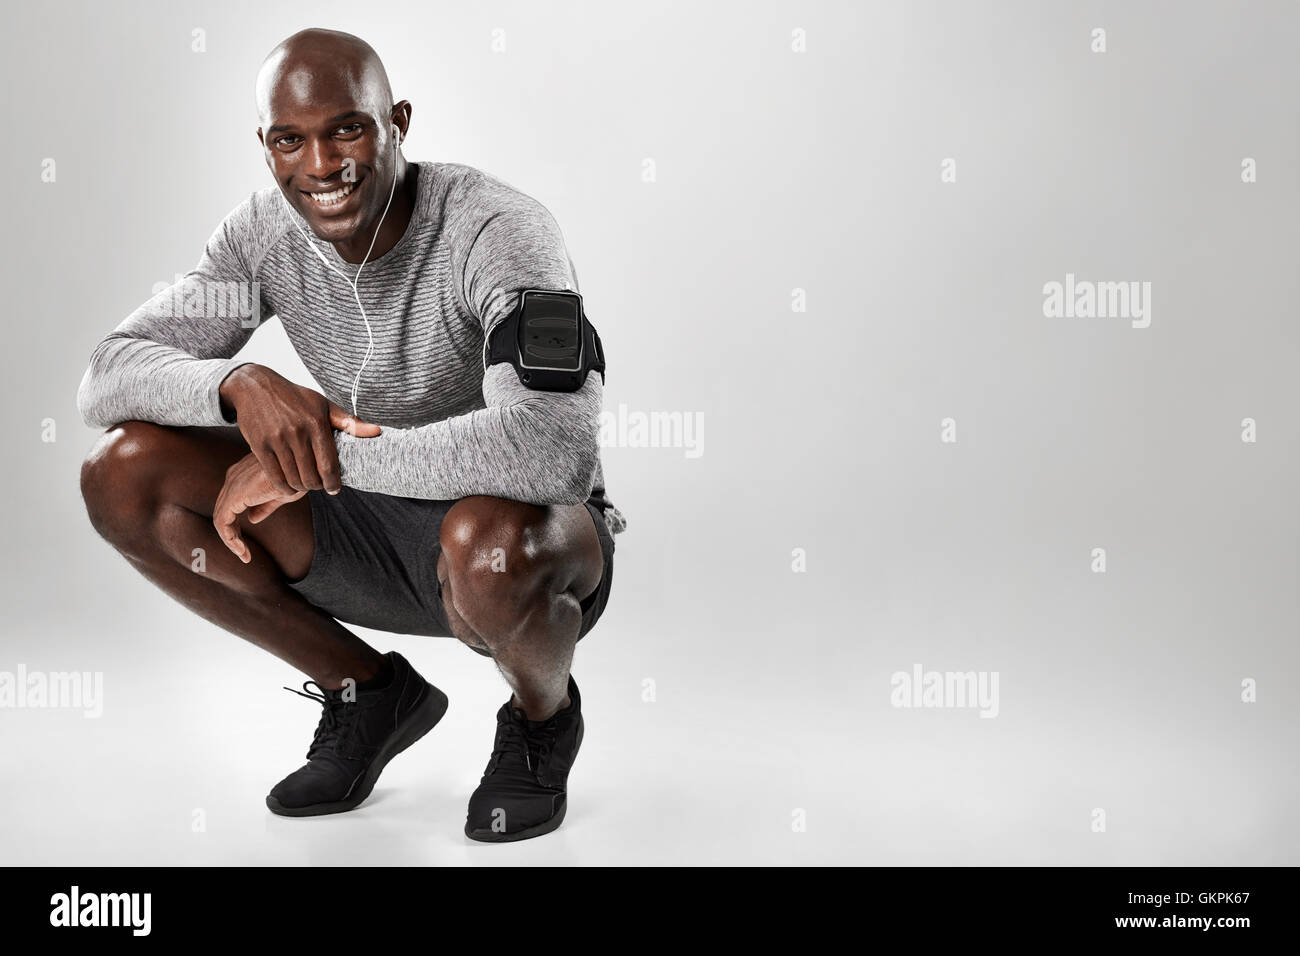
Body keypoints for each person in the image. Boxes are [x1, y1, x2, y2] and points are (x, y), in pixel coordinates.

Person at [75, 27, 625, 843]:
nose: (322, 165)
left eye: (348, 128)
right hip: (362, 526)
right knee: (122, 472)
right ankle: (367, 694)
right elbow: (106, 375)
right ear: (265, 148)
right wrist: (236, 385)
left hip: (518, 542)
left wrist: (320, 460)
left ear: (398, 121)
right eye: (290, 140)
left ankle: (543, 719)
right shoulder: (262, 237)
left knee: (484, 538)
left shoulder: (497, 229)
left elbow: (551, 449)